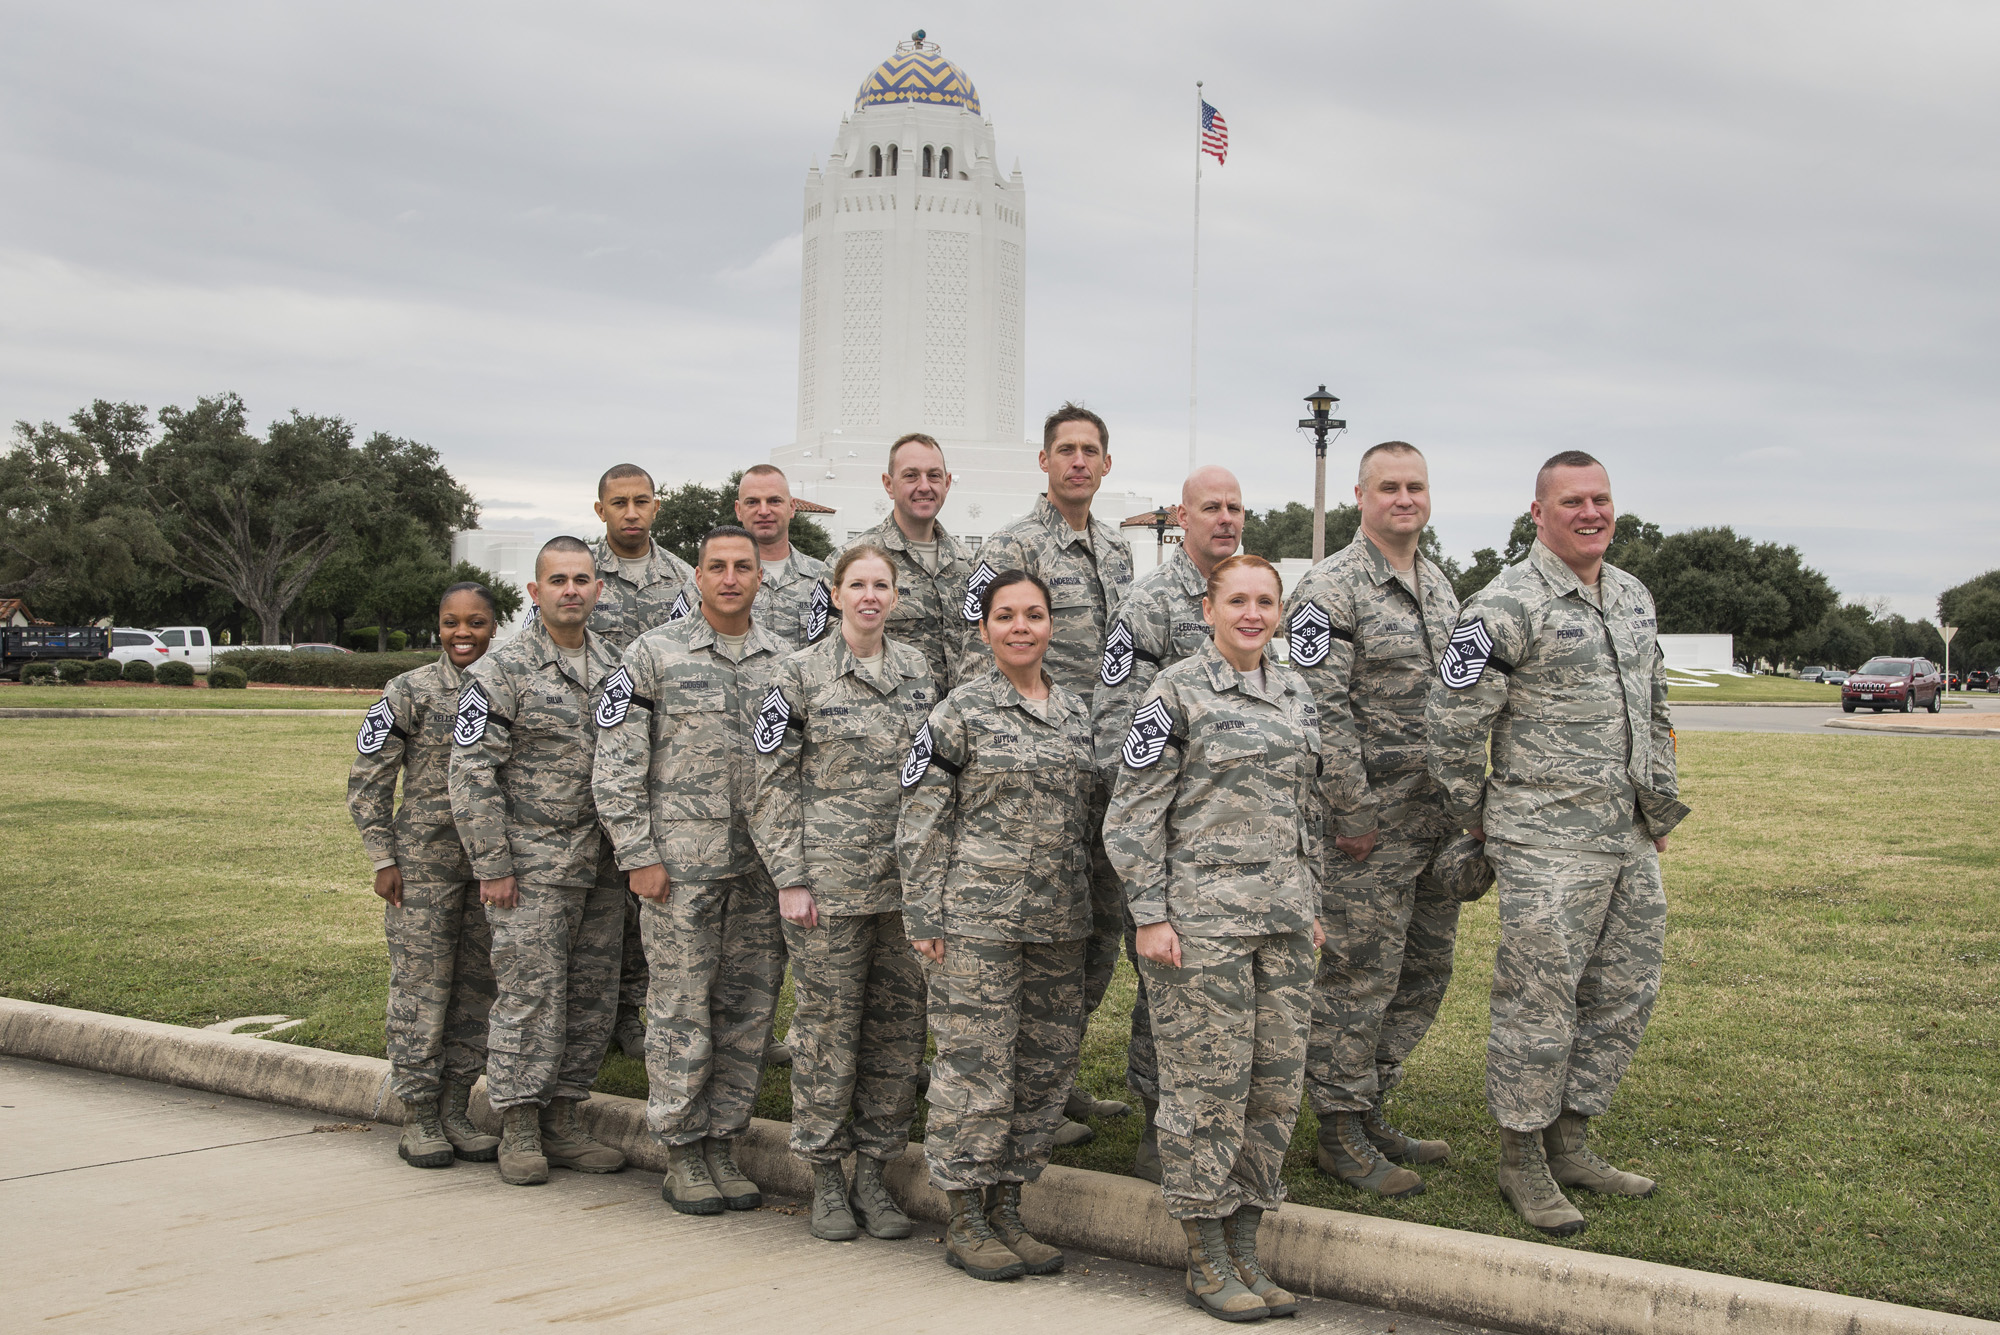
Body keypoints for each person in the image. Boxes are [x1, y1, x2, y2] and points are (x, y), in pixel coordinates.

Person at [1427, 450, 1685, 1237]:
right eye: (1572, 500)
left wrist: (1658, 806)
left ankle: (1570, 1137)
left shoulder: (1633, 595)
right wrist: (1480, 818)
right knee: (1538, 1003)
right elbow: (1450, 722)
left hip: (1626, 838)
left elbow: (1657, 698)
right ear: (1538, 512)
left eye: (1601, 498)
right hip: (1544, 843)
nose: (1591, 512)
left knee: (1622, 990)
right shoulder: (1504, 604)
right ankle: (1521, 1157)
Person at [1104, 553, 1325, 1322]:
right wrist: (1151, 914)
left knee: (1271, 1088)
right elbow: (1131, 815)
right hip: (1201, 931)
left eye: (1267, 600)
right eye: (1239, 600)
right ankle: (1204, 1256)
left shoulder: (1297, 690)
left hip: (1286, 927)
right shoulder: (1174, 693)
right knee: (1207, 1092)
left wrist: (1313, 900)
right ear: (1209, 608)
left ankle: (1246, 1248)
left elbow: (1308, 808)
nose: (1254, 612)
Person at [898, 569, 1095, 1283]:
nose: (1020, 626)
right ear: (982, 630)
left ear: (1051, 626)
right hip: (974, 921)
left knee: (1041, 1069)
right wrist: (923, 914)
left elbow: (1091, 819)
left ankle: (1009, 1203)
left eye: (1033, 614)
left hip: (1057, 923)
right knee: (975, 1067)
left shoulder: (1077, 713)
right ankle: (966, 1214)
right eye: (1005, 615)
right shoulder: (957, 714)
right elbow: (920, 819)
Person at [592, 525, 791, 1217]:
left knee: (746, 1012)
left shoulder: (785, 663)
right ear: (697, 577)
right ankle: (681, 1147)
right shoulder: (653, 653)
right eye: (718, 566)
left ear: (759, 577)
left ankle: (723, 1143)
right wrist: (636, 853)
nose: (731, 576)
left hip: (760, 874)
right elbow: (617, 758)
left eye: (743, 566)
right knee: (681, 1008)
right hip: (680, 870)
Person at [1282, 442, 1463, 1199]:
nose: (1404, 498)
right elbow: (1317, 705)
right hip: (1367, 828)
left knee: (1422, 970)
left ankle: (1370, 1099)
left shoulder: (1441, 586)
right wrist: (1351, 809)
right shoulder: (1332, 588)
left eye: (1415, 486)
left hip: (1434, 822)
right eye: (1389, 486)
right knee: (1359, 974)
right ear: (1360, 495)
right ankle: (1338, 1129)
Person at [749, 545, 936, 1243]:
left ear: (895, 594)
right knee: (829, 1035)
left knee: (896, 1033)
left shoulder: (920, 673)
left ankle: (874, 1175)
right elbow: (768, 785)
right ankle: (826, 1174)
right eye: (856, 583)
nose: (869, 595)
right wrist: (790, 878)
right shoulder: (794, 676)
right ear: (833, 594)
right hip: (827, 889)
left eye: (880, 584)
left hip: (902, 889)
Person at [967, 402, 1135, 1142]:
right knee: (1037, 929)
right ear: (1044, 461)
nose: (1076, 461)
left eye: (1089, 450)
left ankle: (1055, 1078)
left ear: (1106, 463)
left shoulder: (1118, 550)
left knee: (1093, 932)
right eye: (1064, 449)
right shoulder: (1011, 544)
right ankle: (1012, 1089)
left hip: (1102, 765)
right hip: (1033, 766)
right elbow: (981, 648)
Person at [449, 537, 629, 1186]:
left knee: (588, 994)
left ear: (598, 589)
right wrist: (492, 862)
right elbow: (471, 771)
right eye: (558, 579)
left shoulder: (616, 669)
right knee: (530, 993)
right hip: (528, 865)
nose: (572, 589)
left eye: (582, 578)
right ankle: (518, 1122)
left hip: (602, 864)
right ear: (535, 591)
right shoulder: (503, 670)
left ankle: (563, 1117)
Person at [1089, 464, 1244, 1182]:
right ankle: (1156, 1121)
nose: (1225, 518)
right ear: (1180, 516)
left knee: (1221, 988)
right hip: (1172, 837)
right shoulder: (1150, 603)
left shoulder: (1248, 596)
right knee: (1164, 984)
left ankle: (1214, 1123)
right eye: (1210, 507)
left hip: (1235, 840)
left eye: (1235, 507)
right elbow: (1117, 724)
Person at [348, 582, 503, 1170]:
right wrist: (383, 858)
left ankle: (457, 1107)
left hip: (492, 868)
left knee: (477, 989)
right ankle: (418, 1113)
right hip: (424, 867)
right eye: (450, 623)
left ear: (495, 625)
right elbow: (368, 780)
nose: (463, 633)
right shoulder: (408, 691)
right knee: (421, 988)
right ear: (437, 627)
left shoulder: (512, 684)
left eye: (477, 622)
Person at [586, 463, 701, 1062]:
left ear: (657, 507)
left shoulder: (683, 579)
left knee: (645, 898)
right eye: (619, 502)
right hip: (587, 755)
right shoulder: (579, 572)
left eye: (642, 501)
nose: (631, 512)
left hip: (659, 760)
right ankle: (590, 1013)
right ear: (600, 509)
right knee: (599, 898)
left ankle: (632, 1012)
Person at [838, 433, 978, 692]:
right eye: (911, 476)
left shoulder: (970, 564)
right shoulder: (851, 561)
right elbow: (826, 656)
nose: (924, 486)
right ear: (888, 484)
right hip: (888, 722)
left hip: (958, 723)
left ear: (947, 483)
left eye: (934, 476)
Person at [737, 464, 833, 651]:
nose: (764, 511)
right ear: (738, 510)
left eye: (774, 501)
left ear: (792, 507)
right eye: (752, 502)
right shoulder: (715, 581)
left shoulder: (827, 579)